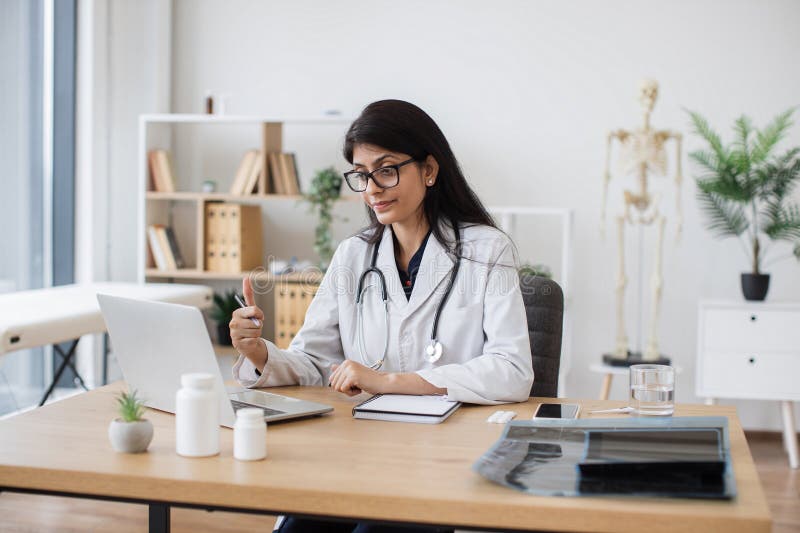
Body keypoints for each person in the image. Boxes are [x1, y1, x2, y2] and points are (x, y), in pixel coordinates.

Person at [230, 99, 533, 533]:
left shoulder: (487, 251)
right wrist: (259, 352)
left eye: (386, 169)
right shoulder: (354, 255)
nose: (372, 187)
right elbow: (315, 362)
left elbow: (512, 370)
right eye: (362, 174)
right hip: (359, 449)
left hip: (444, 456)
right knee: (301, 525)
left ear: (429, 170)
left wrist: (390, 383)